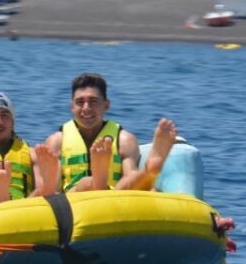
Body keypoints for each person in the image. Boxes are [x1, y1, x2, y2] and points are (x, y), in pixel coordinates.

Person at [43, 73, 177, 193]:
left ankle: (151, 169)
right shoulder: (57, 141)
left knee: (134, 177)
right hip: (72, 201)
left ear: (106, 105)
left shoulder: (124, 140)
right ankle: (97, 182)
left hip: (112, 199)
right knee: (86, 183)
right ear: (72, 107)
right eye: (80, 102)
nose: (86, 108)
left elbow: (131, 179)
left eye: (93, 102)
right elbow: (52, 191)